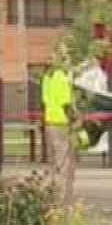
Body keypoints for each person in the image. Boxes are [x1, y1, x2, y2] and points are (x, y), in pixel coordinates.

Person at [40, 61, 78, 207]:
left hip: (50, 121)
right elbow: (66, 103)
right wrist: (74, 121)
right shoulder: (61, 78)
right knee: (65, 163)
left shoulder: (46, 78)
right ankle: (63, 199)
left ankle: (53, 194)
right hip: (62, 123)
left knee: (55, 160)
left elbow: (44, 102)